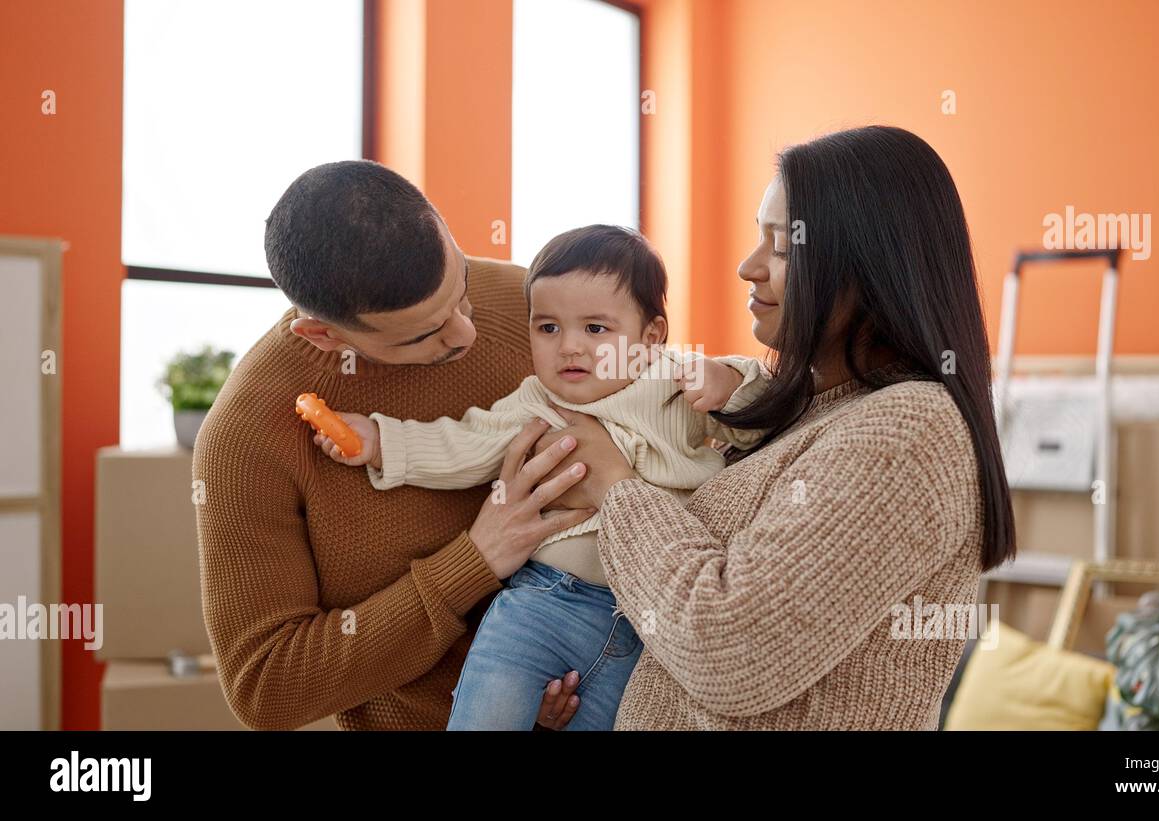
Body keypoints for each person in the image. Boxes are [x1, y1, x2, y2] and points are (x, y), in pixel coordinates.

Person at [550, 125, 1018, 729]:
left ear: (869, 266)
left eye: (781, 246)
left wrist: (613, 487)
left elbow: (729, 649)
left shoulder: (907, 433)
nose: (748, 268)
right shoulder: (810, 411)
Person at [314, 224, 770, 730]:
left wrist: (731, 383)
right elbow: (464, 443)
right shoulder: (535, 402)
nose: (569, 347)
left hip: (651, 621)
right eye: (547, 328)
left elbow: (766, 422)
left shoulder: (677, 377)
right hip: (540, 606)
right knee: (486, 714)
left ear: (650, 337)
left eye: (595, 329)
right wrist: (381, 442)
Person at [194, 160, 594, 730]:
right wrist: (474, 561)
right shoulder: (246, 437)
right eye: (424, 334)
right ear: (324, 335)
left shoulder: (539, 302)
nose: (465, 334)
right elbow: (266, 686)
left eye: (461, 291)